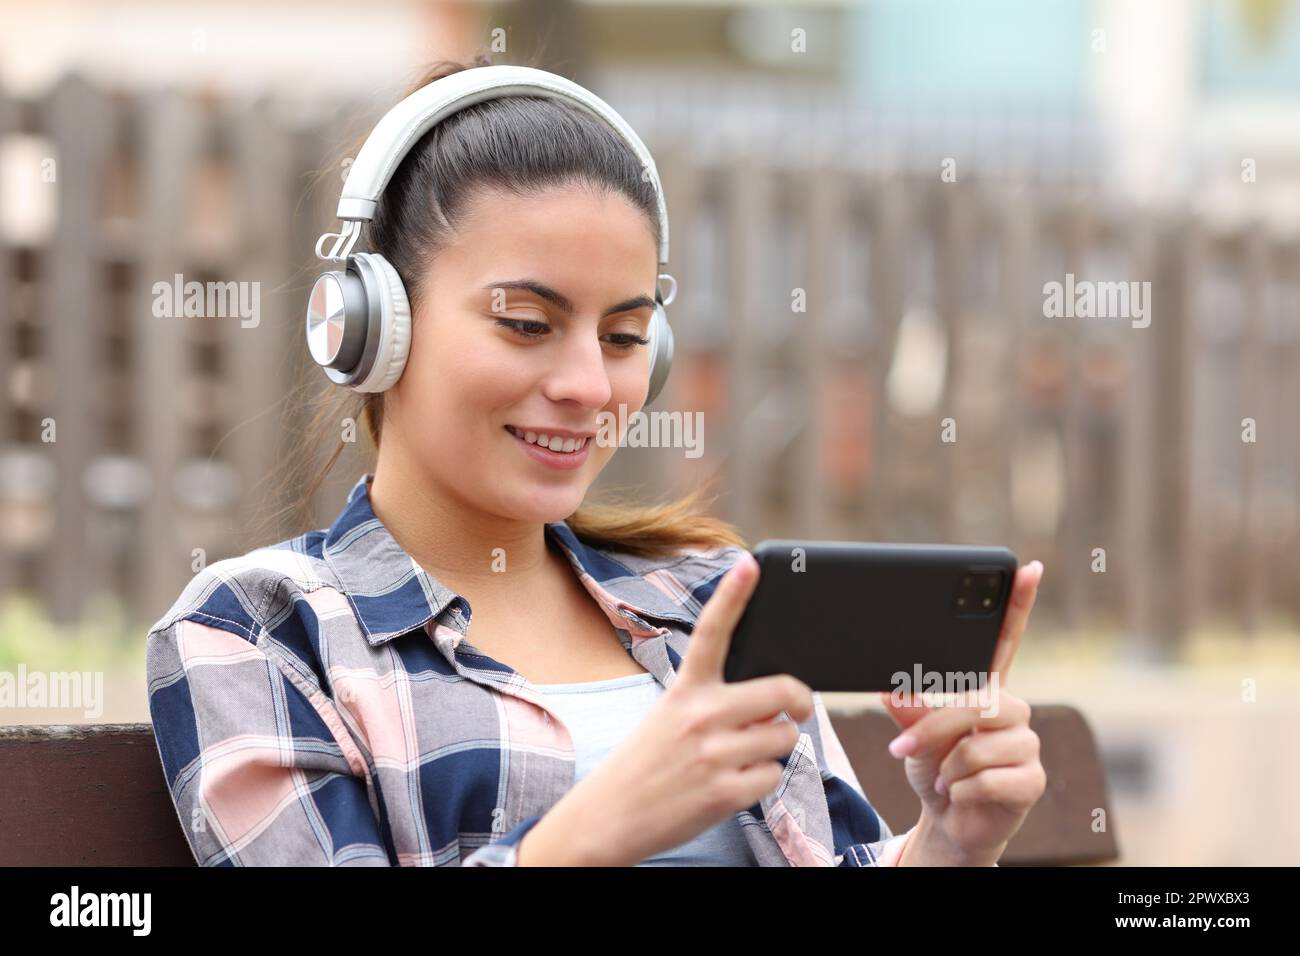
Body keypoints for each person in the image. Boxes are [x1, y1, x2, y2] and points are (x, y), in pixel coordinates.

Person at [145, 54, 1046, 867]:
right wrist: (598, 829)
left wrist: (947, 844)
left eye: (623, 336)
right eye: (527, 324)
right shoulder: (261, 630)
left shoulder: (711, 598)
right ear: (372, 328)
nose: (588, 384)